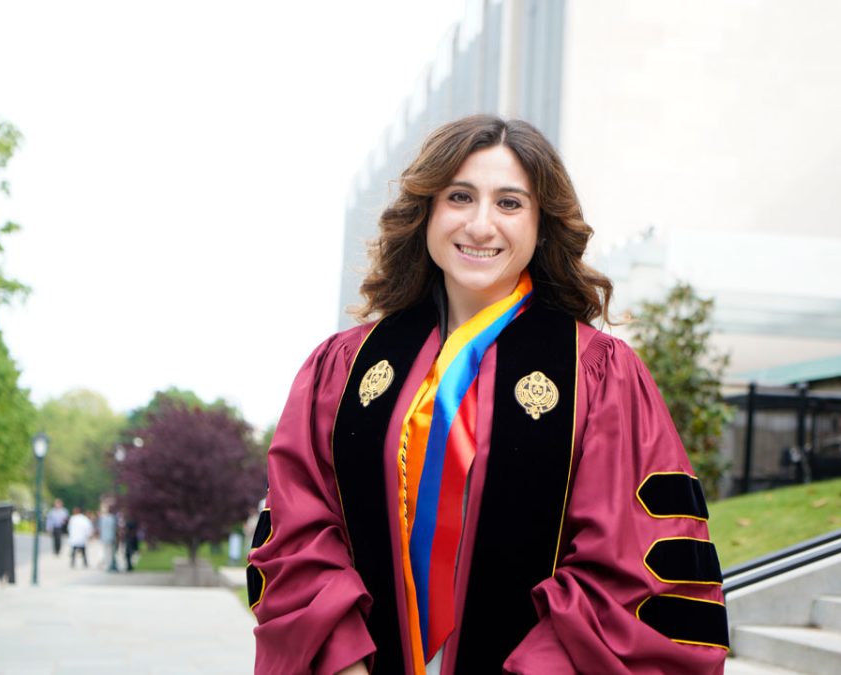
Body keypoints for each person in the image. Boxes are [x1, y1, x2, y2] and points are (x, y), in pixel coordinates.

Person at [248, 115, 728, 674]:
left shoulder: (597, 375)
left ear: (541, 225)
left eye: (509, 203)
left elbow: (631, 564)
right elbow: (297, 530)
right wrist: (342, 662)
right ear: (427, 213)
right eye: (459, 197)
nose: (480, 225)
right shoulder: (344, 368)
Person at [99, 503, 118, 572]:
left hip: (105, 538)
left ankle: (108, 565)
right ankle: (110, 565)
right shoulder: (112, 518)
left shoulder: (103, 519)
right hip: (111, 538)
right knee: (110, 552)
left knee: (106, 552)